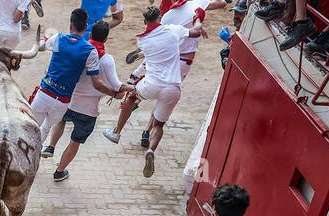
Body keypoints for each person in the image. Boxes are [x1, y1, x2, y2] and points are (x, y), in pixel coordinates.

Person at [101, 5, 203, 178]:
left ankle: (117, 132)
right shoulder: (174, 30)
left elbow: (145, 55)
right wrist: (198, 18)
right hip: (173, 87)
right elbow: (196, 32)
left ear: (144, 21)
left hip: (152, 84)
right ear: (160, 17)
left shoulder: (142, 41)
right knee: (158, 125)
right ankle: (151, 151)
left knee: (131, 96)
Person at [134, 0, 225, 150]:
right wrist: (198, 20)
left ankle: (136, 99)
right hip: (184, 60)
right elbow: (221, 4)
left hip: (165, 55)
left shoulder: (167, 15)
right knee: (166, 93)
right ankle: (147, 130)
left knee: (151, 79)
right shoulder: (196, 4)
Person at [41, 19, 122, 181]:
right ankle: (59, 171)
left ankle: (50, 146)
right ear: (105, 39)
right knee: (75, 141)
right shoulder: (106, 60)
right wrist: (126, 89)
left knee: (61, 121)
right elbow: (116, 85)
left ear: (90, 33)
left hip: (70, 100)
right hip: (88, 110)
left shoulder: (80, 50)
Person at [30, 8, 112, 141]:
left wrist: (43, 39)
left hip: (44, 95)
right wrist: (114, 93)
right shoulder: (90, 51)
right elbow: (97, 84)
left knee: (29, 130)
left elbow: (40, 47)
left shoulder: (59, 38)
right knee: (45, 128)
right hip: (62, 103)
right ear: (86, 27)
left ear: (70, 25)